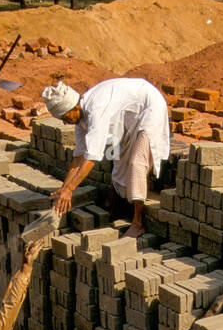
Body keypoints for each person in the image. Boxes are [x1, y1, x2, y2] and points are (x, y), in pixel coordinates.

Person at [43, 77, 171, 238]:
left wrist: (70, 190)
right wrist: (64, 188)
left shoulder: (96, 109)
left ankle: (137, 223)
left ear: (74, 107)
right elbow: (78, 158)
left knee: (136, 162)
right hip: (128, 118)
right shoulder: (79, 119)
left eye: (65, 117)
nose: (65, 123)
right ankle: (115, 205)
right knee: (118, 161)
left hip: (149, 107)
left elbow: (92, 157)